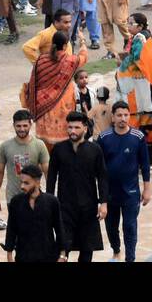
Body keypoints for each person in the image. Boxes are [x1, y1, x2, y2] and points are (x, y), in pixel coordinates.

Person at [47, 111, 108, 262]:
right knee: (62, 248)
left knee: (87, 249)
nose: (72, 131)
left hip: (88, 207)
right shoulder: (59, 149)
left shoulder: (95, 150)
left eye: (76, 127)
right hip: (64, 207)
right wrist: (49, 201)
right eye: (69, 127)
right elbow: (51, 177)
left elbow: (102, 177)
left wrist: (104, 203)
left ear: (85, 128)